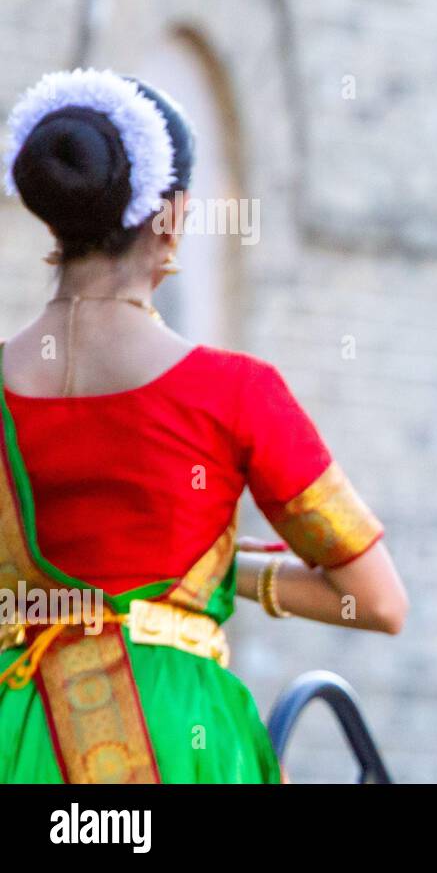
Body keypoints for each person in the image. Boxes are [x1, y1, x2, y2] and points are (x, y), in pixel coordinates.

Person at [0, 68, 408, 783]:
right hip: (173, 732)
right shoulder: (235, 393)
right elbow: (377, 601)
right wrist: (233, 573)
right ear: (174, 214)